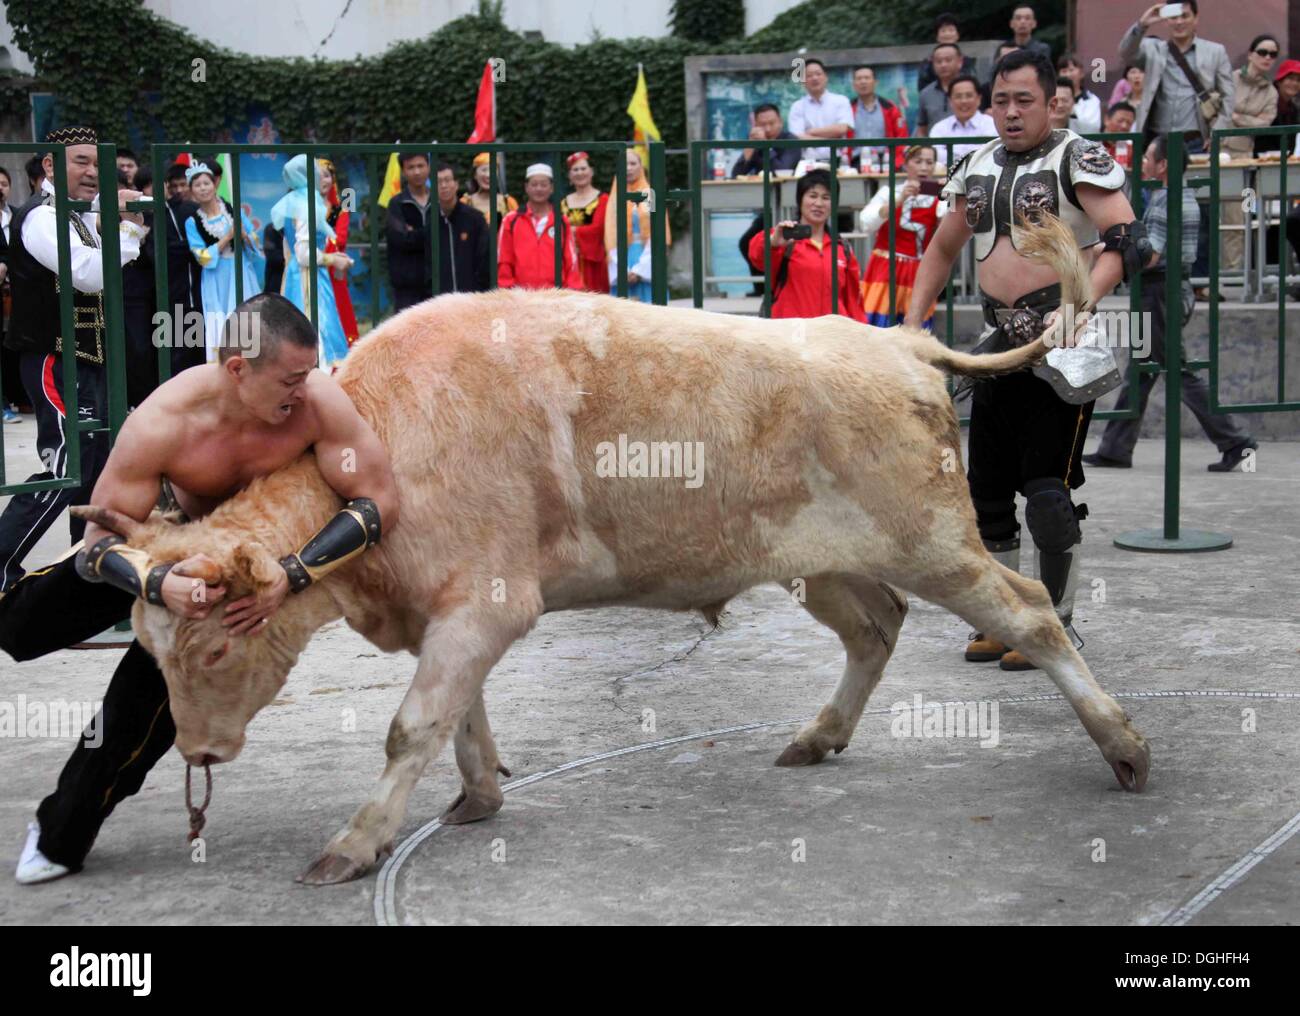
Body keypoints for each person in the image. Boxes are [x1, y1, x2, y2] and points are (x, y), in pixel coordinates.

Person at [4, 292, 400, 884]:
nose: (303, 388)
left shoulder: (316, 404)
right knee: (18, 624)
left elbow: (379, 502)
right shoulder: (164, 423)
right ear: (238, 367)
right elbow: (96, 545)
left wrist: (288, 578)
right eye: (290, 377)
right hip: (153, 545)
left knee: (140, 713)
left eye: (308, 373)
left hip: (228, 575)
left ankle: (61, 834)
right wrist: (158, 581)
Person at [904, 50, 1141, 670]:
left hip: (1065, 349)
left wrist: (1080, 301)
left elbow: (1126, 238)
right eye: (1001, 100)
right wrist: (912, 324)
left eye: (1024, 101)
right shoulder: (975, 164)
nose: (1010, 113)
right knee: (984, 494)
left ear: (1053, 100)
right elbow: (940, 248)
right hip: (997, 350)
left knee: (1047, 496)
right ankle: (1003, 619)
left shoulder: (1077, 157)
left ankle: (1052, 626)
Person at [0, 126, 149, 592]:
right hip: (52, 357)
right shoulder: (41, 217)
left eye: (96, 163)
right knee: (67, 466)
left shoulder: (77, 216)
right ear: (49, 166)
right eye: (80, 161)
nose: (91, 172)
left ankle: (79, 579)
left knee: (95, 467)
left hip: (88, 361)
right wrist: (126, 230)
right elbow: (87, 275)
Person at [1084, 134, 1256, 472]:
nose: (1143, 162)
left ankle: (1235, 441)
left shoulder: (1168, 200)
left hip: (1160, 292)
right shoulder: (1173, 196)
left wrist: (1103, 251)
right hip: (1162, 290)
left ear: (1162, 165)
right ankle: (1116, 447)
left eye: (1148, 157)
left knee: (1176, 371)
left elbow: (1151, 255)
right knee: (1142, 370)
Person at [748, 168, 866, 322]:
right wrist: (773, 243)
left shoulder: (843, 248)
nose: (818, 203)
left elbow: (854, 302)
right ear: (800, 200)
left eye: (826, 197)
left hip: (831, 337)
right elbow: (756, 257)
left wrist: (860, 333)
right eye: (812, 196)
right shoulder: (783, 238)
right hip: (790, 335)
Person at [1118, 2, 1233, 152]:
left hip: (1195, 141)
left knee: (1196, 176)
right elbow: (1125, 53)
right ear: (1166, 20)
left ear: (1195, 18)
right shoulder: (1153, 48)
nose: (1179, 22)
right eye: (1173, 17)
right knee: (1155, 177)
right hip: (1156, 141)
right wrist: (1142, 24)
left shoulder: (1215, 52)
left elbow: (1228, 96)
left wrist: (1217, 134)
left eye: (1185, 16)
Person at [272, 155, 350, 372]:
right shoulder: (307, 205)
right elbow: (303, 253)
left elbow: (290, 249)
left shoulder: (293, 202)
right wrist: (332, 259)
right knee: (317, 332)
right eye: (317, 173)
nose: (321, 178)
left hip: (297, 275)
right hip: (308, 277)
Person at [858, 144, 947, 329]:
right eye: (918, 161)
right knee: (877, 326)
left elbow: (949, 232)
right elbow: (866, 222)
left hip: (918, 269)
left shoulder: (940, 197)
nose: (924, 167)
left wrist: (949, 194)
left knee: (914, 328)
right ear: (906, 164)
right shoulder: (889, 192)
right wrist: (898, 201)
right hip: (885, 268)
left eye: (929, 162)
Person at [184, 162, 262, 363]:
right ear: (191, 191)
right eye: (197, 185)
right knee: (219, 319)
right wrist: (227, 238)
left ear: (215, 184)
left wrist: (245, 236)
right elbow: (201, 255)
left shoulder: (232, 209)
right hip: (215, 276)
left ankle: (251, 360)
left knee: (245, 313)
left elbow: (254, 240)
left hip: (240, 270)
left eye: (206, 183)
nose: (203, 188)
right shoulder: (192, 221)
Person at [1220, 36, 1280, 270]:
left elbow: (1262, 126)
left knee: (1240, 215)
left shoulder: (1271, 93)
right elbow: (1218, 109)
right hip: (1217, 151)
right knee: (1211, 216)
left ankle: (1235, 273)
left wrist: (1234, 117)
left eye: (1272, 54)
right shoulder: (1230, 79)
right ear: (1251, 53)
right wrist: (1241, 118)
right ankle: (1215, 275)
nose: (1267, 57)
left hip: (1244, 158)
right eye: (1263, 52)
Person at [498, 163, 581, 291]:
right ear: (526, 187)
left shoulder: (561, 221)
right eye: (534, 184)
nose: (539, 189)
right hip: (521, 295)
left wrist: (573, 291)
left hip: (556, 295)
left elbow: (571, 259)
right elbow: (504, 259)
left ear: (552, 188)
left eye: (544, 184)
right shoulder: (511, 220)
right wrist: (507, 289)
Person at [603, 149, 669, 301]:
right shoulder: (614, 198)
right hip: (622, 256)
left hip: (647, 255)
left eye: (633, 163)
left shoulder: (650, 195)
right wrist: (622, 269)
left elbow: (659, 232)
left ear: (641, 166)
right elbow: (610, 234)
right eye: (624, 164)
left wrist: (641, 270)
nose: (628, 168)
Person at [318, 158, 359, 347]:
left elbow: (339, 239)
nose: (322, 180)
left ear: (333, 179)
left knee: (338, 309)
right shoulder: (304, 209)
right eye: (317, 176)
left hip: (332, 271)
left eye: (326, 175)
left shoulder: (340, 210)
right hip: (307, 269)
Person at [385, 151, 433, 311]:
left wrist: (415, 233)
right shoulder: (397, 203)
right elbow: (401, 240)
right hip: (407, 284)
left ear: (429, 167)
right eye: (411, 167)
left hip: (436, 279)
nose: (417, 171)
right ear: (404, 172)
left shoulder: (439, 200)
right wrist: (430, 232)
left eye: (421, 166)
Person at [432, 161, 489, 294]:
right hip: (437, 299)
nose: (444, 186)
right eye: (438, 181)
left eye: (447, 180)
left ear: (456, 184)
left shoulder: (475, 218)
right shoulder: (429, 219)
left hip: (470, 298)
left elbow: (485, 260)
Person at [559, 152, 610, 293]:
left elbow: (598, 229)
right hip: (567, 260)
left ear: (591, 172)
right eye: (575, 170)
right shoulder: (563, 202)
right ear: (569, 175)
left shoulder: (603, 199)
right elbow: (557, 229)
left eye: (583, 168)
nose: (579, 173)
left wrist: (571, 230)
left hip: (593, 262)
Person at [787, 58, 853, 163]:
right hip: (808, 161)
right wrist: (830, 141)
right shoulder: (797, 106)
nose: (814, 78)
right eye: (809, 75)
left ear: (826, 77)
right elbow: (797, 137)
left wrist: (811, 132)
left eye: (818, 74)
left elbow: (842, 129)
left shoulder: (841, 101)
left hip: (838, 159)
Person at [847, 66, 910, 171]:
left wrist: (897, 163)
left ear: (875, 82)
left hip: (886, 160)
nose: (863, 82)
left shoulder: (889, 107)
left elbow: (901, 137)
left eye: (867, 78)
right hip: (855, 162)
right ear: (854, 84)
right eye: (859, 79)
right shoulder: (847, 108)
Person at [929, 74, 996, 164]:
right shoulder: (939, 128)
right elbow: (935, 156)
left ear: (979, 99)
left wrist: (953, 156)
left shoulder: (991, 124)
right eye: (958, 96)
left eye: (969, 96)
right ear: (950, 101)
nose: (964, 101)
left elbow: (988, 156)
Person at [0, 164, 21, 424]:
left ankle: (16, 398)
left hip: (14, 294)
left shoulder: (18, 216)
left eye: (4, 184)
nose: (0, 189)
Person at [731, 103, 801, 177]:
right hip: (759, 186)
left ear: (780, 122)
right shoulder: (757, 141)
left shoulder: (791, 140)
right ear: (755, 125)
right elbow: (736, 174)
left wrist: (766, 146)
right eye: (763, 124)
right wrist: (750, 146)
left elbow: (782, 171)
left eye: (772, 123)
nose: (768, 129)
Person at [918, 14, 978, 93]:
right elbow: (922, 87)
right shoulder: (928, 62)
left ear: (957, 35)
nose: (947, 34)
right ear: (937, 36)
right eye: (943, 31)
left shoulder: (966, 61)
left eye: (951, 30)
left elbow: (973, 84)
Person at [916, 43, 963, 136]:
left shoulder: (972, 90)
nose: (943, 65)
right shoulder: (925, 94)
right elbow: (922, 129)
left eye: (948, 60)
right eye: (938, 61)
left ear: (960, 62)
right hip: (936, 148)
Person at [462, 152, 518, 223]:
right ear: (475, 175)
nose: (488, 175)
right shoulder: (465, 202)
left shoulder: (508, 203)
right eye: (484, 170)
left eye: (492, 170)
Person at [1058, 53, 1103, 133]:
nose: (1068, 74)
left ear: (1081, 73)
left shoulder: (1091, 100)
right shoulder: (1052, 97)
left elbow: (1093, 127)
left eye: (1071, 70)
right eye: (1064, 71)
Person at [983, 43, 1023, 113]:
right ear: (997, 61)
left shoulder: (1032, 87)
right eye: (1006, 59)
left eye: (1015, 59)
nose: (1011, 63)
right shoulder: (985, 90)